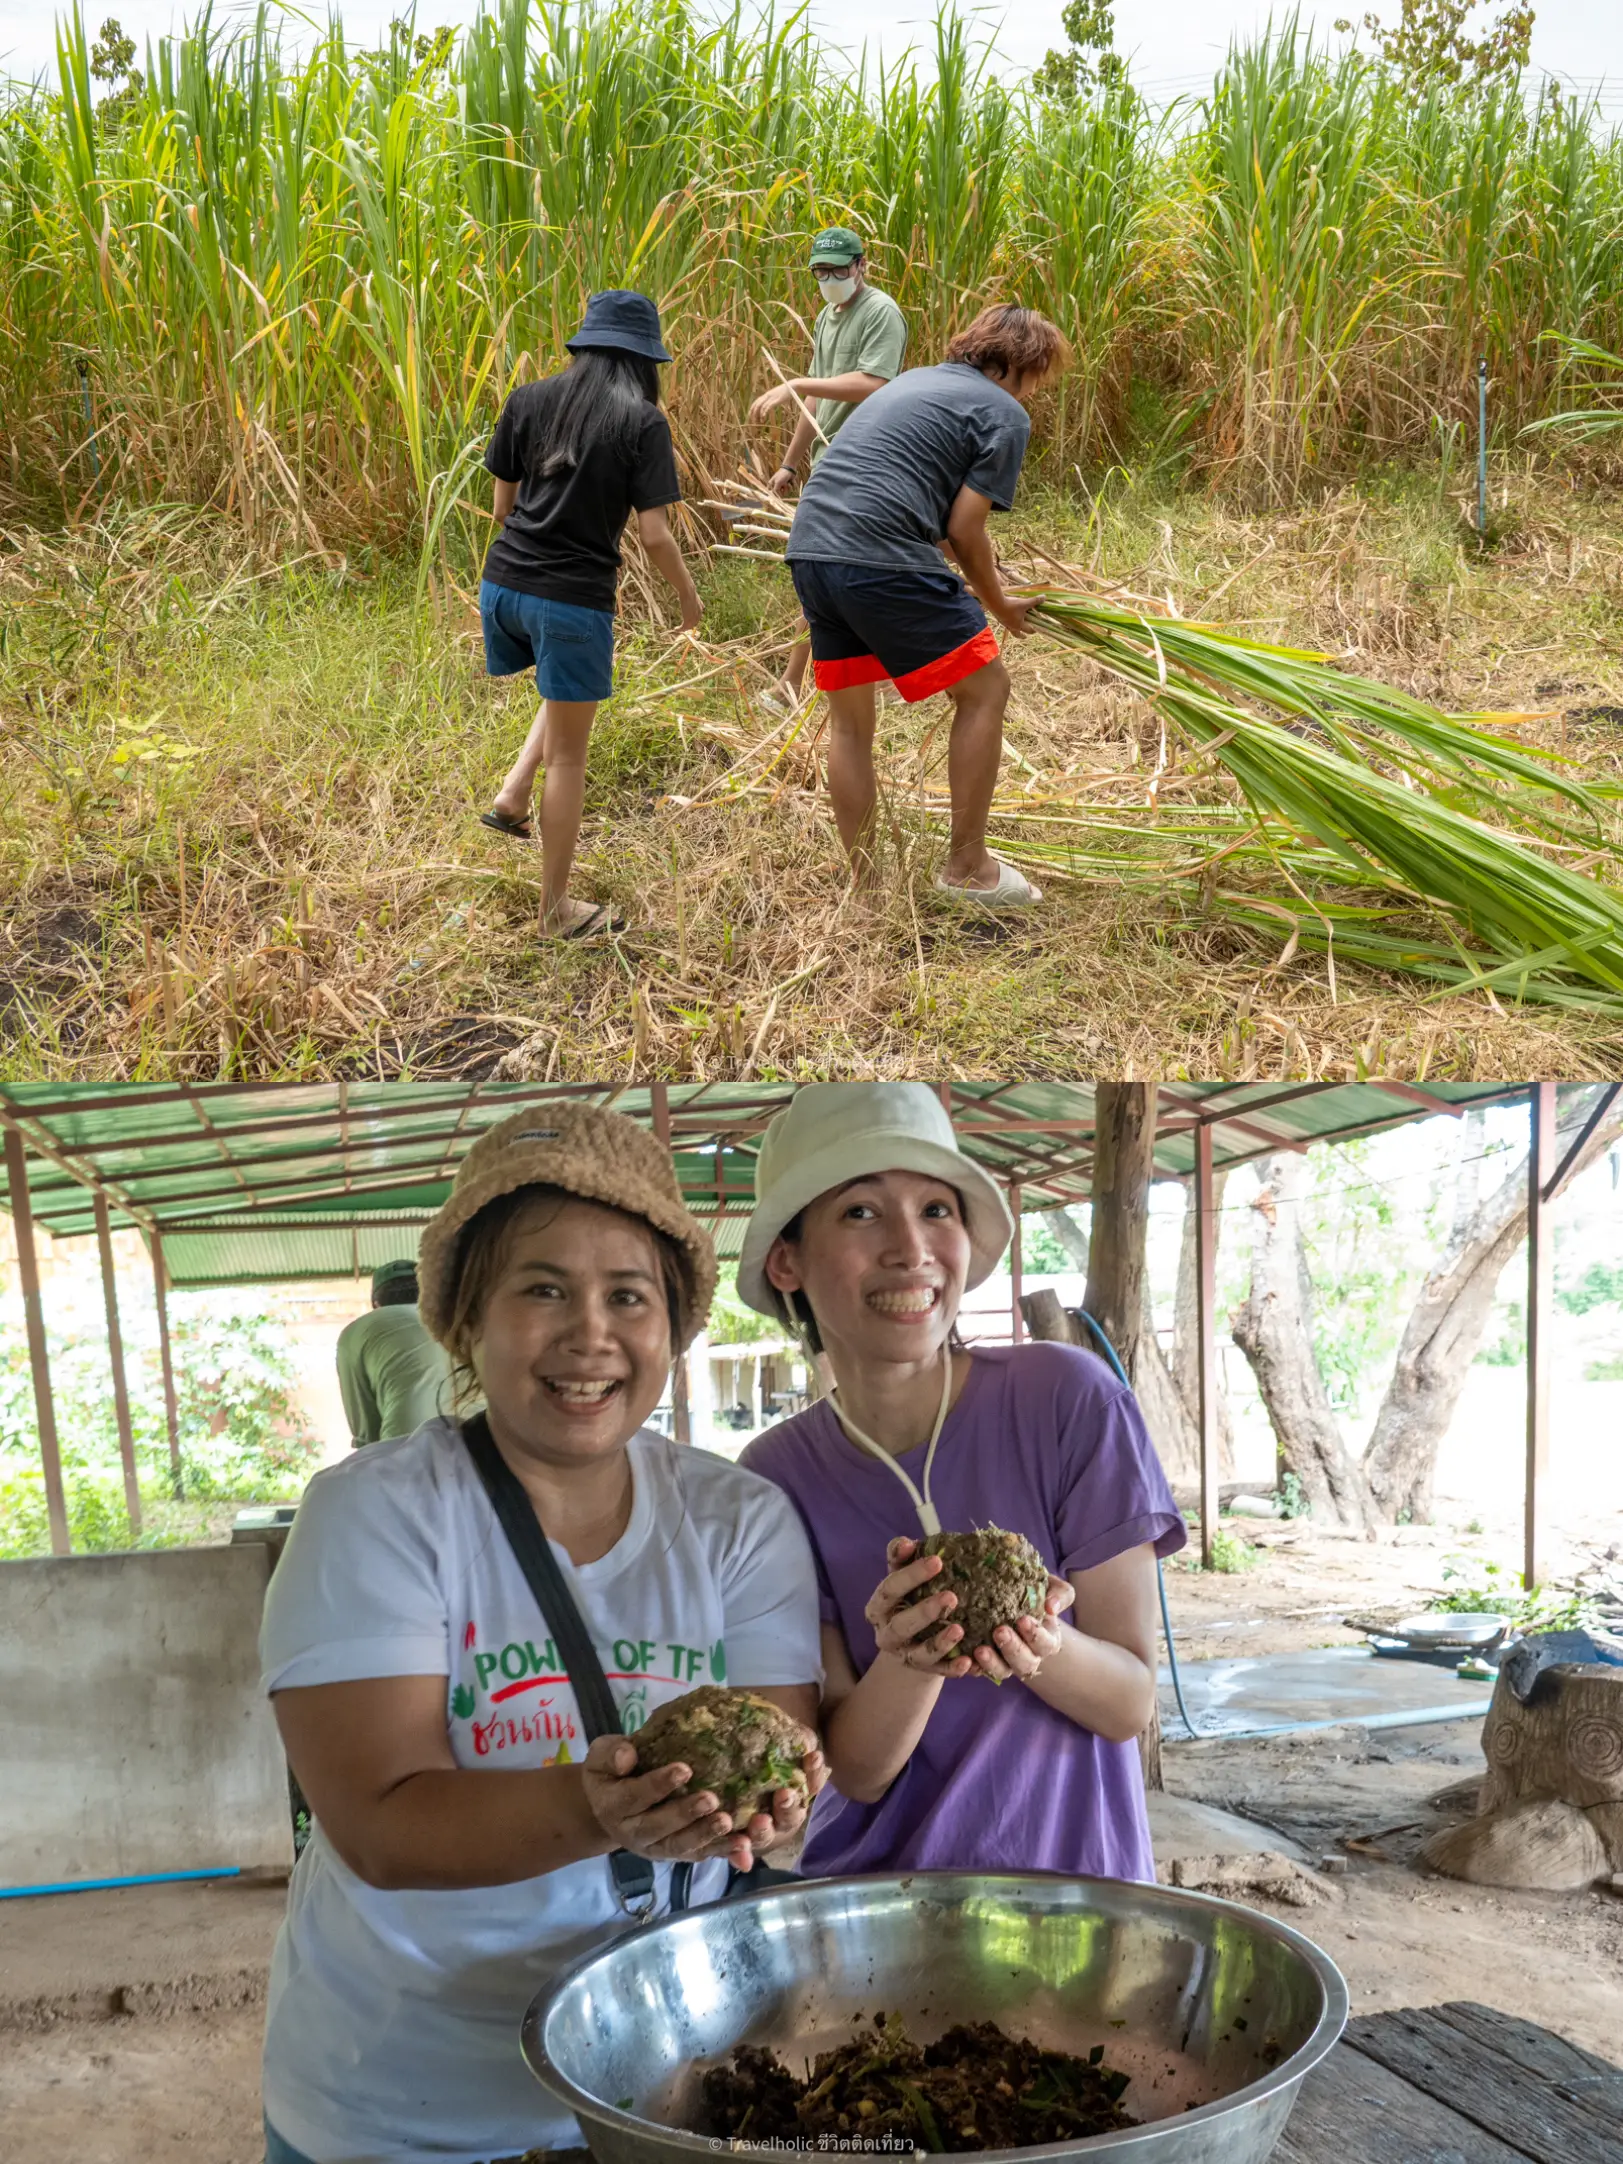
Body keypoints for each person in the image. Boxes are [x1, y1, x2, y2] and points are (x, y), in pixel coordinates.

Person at [259, 1105, 825, 2164]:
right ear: (467, 1316)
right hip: (407, 2112)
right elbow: (379, 1824)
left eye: (628, 1296)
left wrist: (776, 1802)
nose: (589, 1335)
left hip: (666, 2091)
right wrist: (596, 1804)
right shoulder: (376, 1513)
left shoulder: (738, 1521)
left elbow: (779, 1782)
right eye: (543, 1289)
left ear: (673, 1326)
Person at [737, 1081, 1186, 1884]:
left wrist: (1033, 1639)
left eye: (936, 1210)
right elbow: (857, 1772)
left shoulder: (1068, 1399)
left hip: (1073, 1893)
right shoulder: (775, 1476)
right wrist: (912, 1654)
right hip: (874, 1904)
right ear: (787, 1261)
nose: (910, 1248)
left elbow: (1128, 1703)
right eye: (860, 1212)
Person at [783, 305, 1071, 908]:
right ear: (1022, 366)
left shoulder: (914, 381)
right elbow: (966, 529)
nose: (1035, 393)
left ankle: (866, 893)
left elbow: (932, 515)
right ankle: (968, 867)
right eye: (1039, 379)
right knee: (986, 689)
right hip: (877, 553)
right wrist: (1002, 604)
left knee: (850, 723)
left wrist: (982, 570)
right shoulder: (1005, 413)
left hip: (811, 548)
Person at [478, 290, 704, 941]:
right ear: (643, 362)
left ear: (583, 346)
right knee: (572, 757)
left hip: (502, 589)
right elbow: (656, 535)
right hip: (570, 600)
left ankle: (512, 796)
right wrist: (687, 600)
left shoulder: (528, 399)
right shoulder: (641, 421)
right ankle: (554, 912)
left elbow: (501, 507)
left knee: (563, 686)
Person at [747, 228, 907, 714]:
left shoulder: (881, 313)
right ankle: (875, 679)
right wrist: (790, 463)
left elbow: (874, 382)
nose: (832, 278)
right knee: (839, 572)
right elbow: (817, 397)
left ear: (863, 264)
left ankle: (791, 686)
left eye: (841, 268)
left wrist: (794, 380)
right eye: (822, 270)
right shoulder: (825, 317)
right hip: (829, 460)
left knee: (821, 570)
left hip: (867, 461)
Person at [334, 1259, 452, 1446]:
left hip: (409, 1448)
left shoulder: (358, 1331)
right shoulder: (457, 1320)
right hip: (487, 1447)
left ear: (376, 1303)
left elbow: (365, 1434)